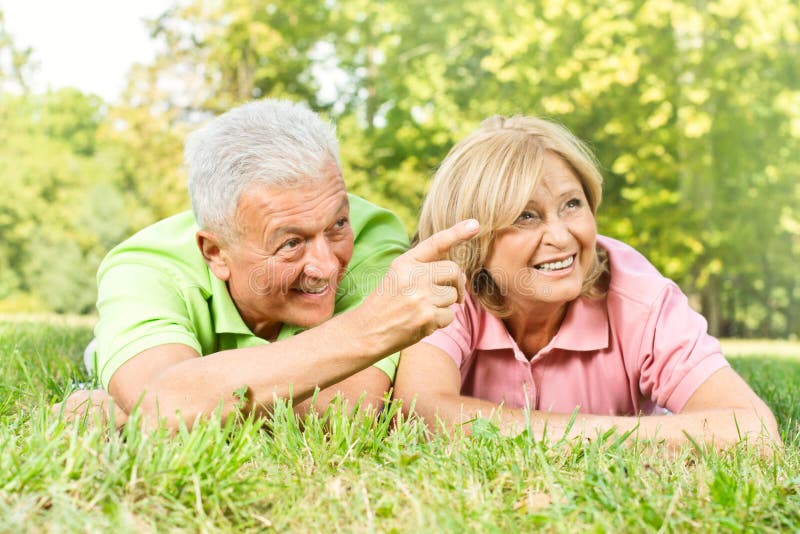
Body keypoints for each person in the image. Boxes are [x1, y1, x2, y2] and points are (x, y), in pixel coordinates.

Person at [54, 99, 479, 431]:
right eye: (291, 243)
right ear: (215, 253)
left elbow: (351, 409)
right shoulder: (145, 266)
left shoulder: (373, 233)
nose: (327, 266)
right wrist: (373, 327)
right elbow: (167, 405)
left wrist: (167, 407)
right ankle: (107, 356)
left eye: (337, 225)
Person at [393, 115, 780, 449]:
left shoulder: (640, 299)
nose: (562, 236)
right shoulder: (447, 287)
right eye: (526, 216)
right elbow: (420, 413)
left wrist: (577, 436)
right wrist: (621, 435)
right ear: (473, 240)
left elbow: (753, 431)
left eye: (571, 204)